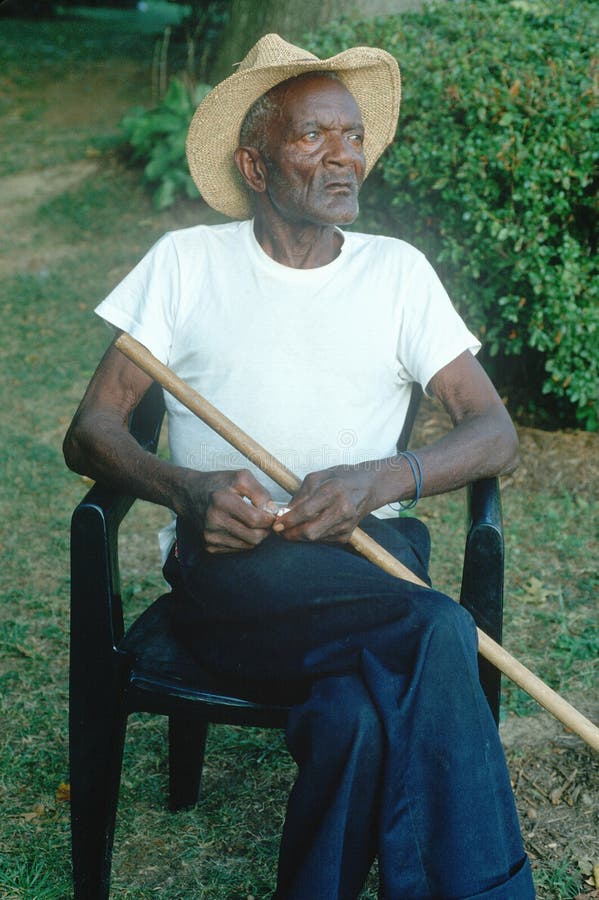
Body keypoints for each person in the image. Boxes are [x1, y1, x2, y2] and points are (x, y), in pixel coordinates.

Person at [64, 33, 535, 900]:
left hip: (373, 559)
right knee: (438, 630)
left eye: (352, 135)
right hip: (237, 569)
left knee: (353, 714)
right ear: (254, 163)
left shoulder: (398, 274)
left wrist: (377, 479)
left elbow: (492, 431)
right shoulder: (185, 265)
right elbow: (89, 432)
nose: (343, 155)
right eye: (313, 135)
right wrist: (187, 490)